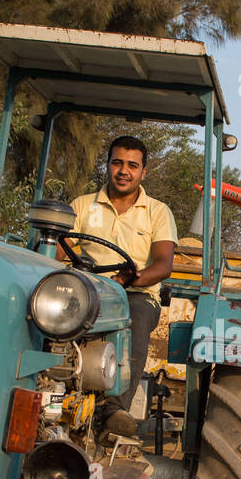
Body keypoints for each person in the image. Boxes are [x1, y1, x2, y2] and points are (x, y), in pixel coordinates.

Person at [64, 135, 176, 437]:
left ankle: (115, 408)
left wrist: (129, 279)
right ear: (108, 165)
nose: (123, 171)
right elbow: (62, 250)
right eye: (117, 163)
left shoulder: (157, 211)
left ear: (143, 172)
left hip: (136, 292)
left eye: (132, 165)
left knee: (135, 316)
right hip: (87, 290)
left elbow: (164, 264)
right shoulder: (83, 205)